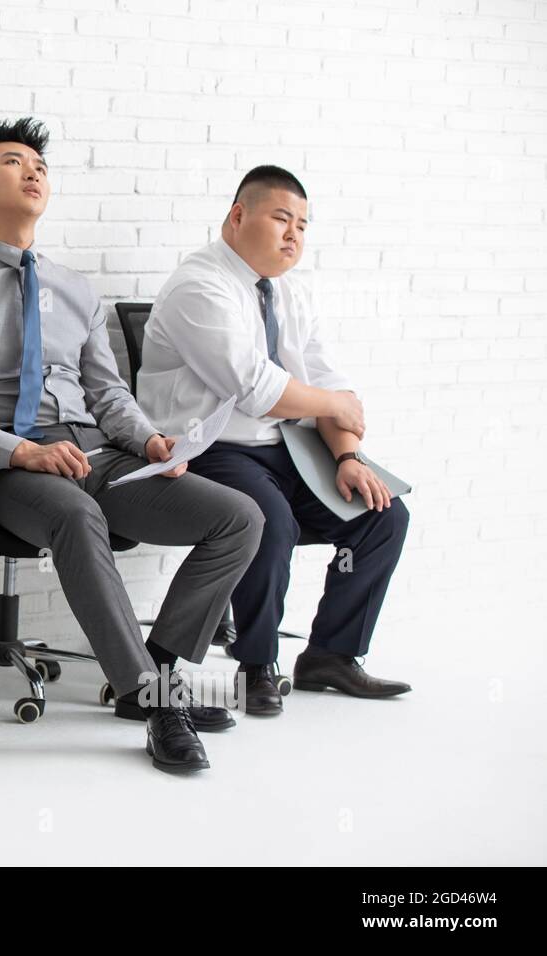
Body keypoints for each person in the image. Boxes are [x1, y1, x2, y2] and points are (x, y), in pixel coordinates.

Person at [0, 118, 264, 774]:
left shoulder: (76, 291)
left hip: (96, 454)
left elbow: (108, 394)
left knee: (238, 517)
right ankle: (155, 701)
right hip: (5, 462)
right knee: (76, 514)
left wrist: (151, 440)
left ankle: (159, 666)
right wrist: (21, 453)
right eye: (15, 163)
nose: (34, 173)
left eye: (41, 167)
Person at [138, 165, 412, 717]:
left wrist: (348, 456)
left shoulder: (290, 295)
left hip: (287, 450)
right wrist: (332, 405)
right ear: (237, 216)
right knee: (270, 519)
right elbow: (256, 389)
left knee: (384, 514)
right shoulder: (200, 285)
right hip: (209, 449)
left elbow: (328, 384)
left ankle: (332, 655)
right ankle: (257, 664)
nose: (294, 235)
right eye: (282, 218)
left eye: (304, 226)